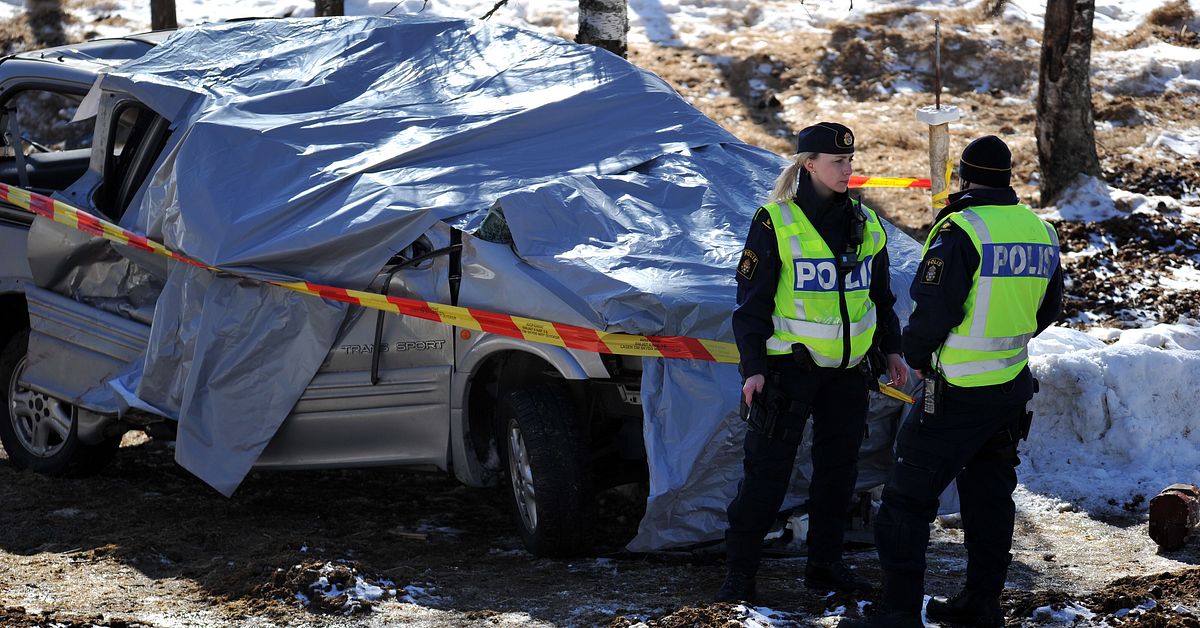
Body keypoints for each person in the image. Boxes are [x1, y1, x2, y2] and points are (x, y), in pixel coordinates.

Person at [842, 136, 1064, 628]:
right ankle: (982, 604)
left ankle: (898, 612)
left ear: (964, 178)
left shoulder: (962, 229)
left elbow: (933, 311)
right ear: (1007, 178)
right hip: (1009, 389)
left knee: (905, 502)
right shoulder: (1040, 231)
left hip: (955, 391)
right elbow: (1049, 309)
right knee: (989, 500)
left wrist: (917, 357)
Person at [718, 122, 908, 604]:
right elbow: (751, 303)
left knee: (838, 475)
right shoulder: (774, 221)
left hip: (848, 372)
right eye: (837, 161)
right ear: (808, 164)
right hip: (789, 371)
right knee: (766, 476)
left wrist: (892, 349)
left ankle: (825, 567)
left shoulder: (866, 222)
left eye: (851, 161)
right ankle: (739, 575)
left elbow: (880, 297)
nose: (848, 169)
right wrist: (754, 368)